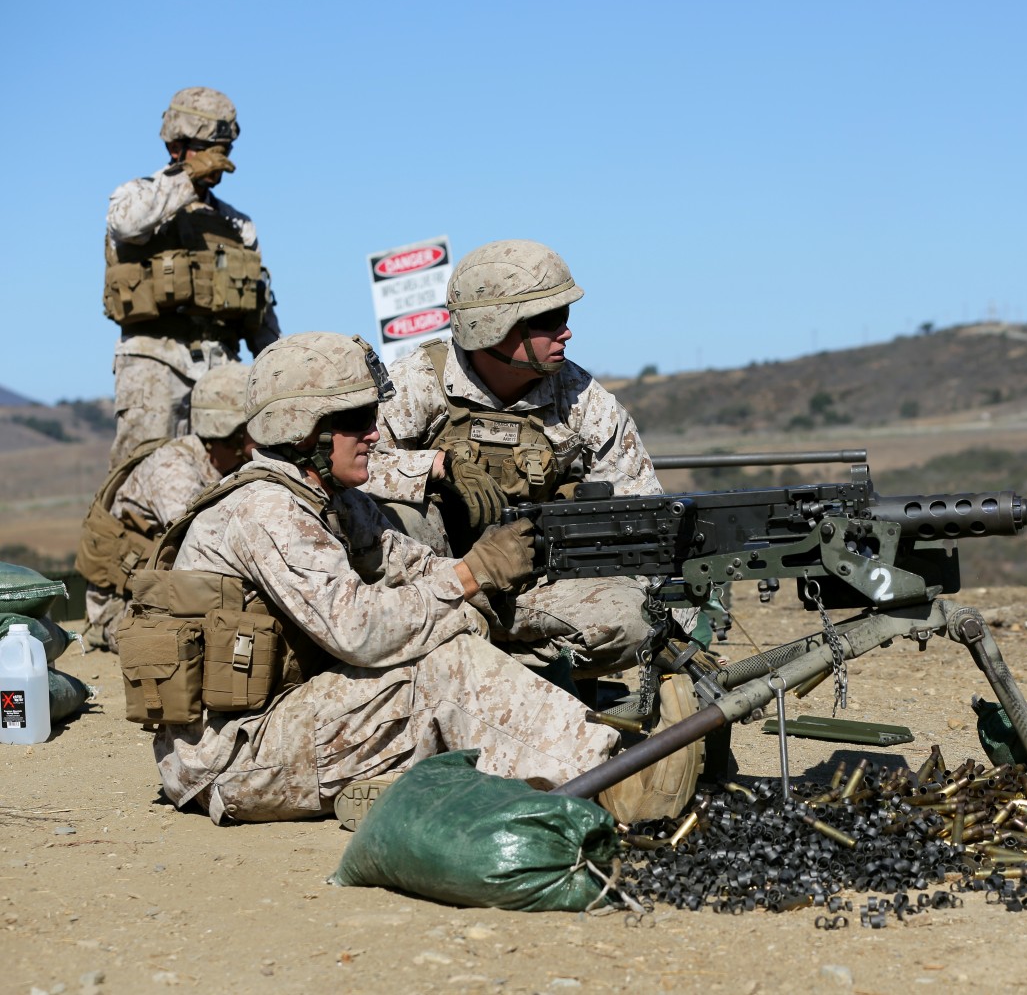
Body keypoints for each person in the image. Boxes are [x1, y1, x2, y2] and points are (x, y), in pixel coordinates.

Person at [122, 332, 678, 827]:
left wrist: (485, 575)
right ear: (301, 429)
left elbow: (406, 563)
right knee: (442, 668)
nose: (372, 435)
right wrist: (468, 576)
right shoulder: (264, 510)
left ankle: (600, 762)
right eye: (355, 421)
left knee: (452, 634)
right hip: (230, 758)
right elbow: (358, 632)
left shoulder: (329, 500)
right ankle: (616, 776)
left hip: (286, 720)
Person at [364, 240, 662, 682]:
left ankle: (466, 660)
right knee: (402, 515)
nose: (567, 332)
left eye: (566, 316)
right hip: (427, 584)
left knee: (632, 622)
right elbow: (345, 472)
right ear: (492, 327)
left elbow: (642, 513)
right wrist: (434, 468)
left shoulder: (582, 400)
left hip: (529, 589)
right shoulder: (414, 384)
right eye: (548, 320)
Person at [103, 86, 279, 469]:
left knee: (231, 480)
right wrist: (186, 178)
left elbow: (260, 310)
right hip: (155, 365)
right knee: (144, 473)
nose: (218, 158)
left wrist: (278, 371)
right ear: (176, 145)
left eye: (224, 149)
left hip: (223, 371)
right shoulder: (138, 197)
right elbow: (126, 224)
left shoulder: (236, 224)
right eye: (208, 147)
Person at [77, 362, 255, 652]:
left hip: (174, 593)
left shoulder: (231, 465)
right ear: (231, 431)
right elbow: (209, 548)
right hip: (124, 606)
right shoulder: (173, 468)